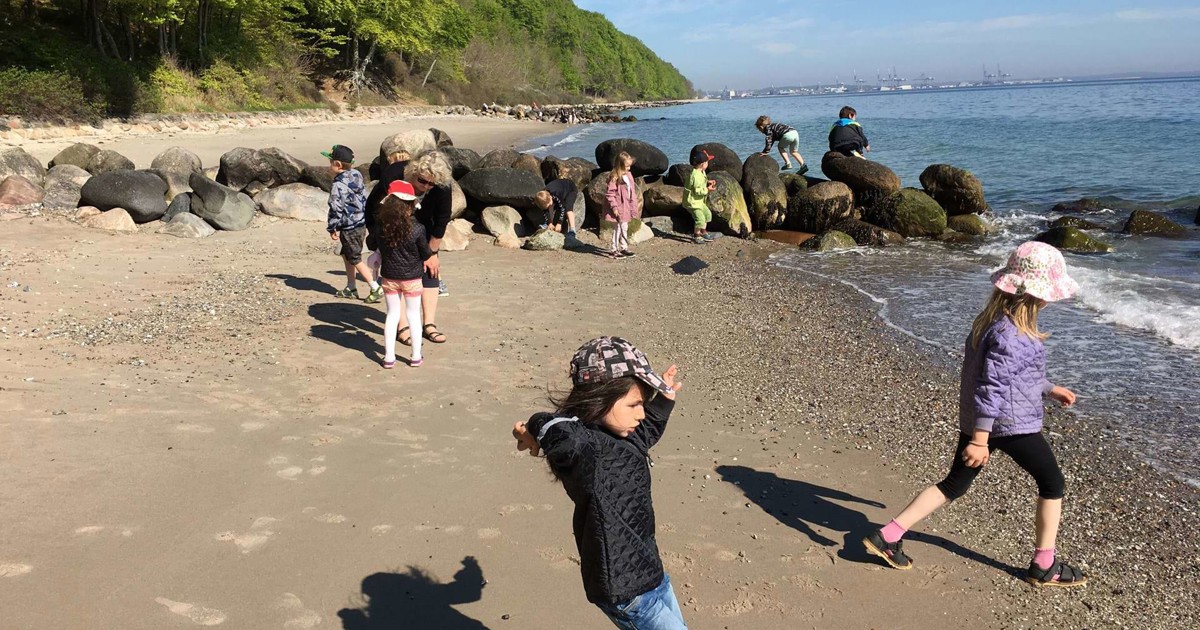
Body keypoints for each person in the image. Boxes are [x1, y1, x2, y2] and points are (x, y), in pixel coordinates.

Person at [863, 241, 1089, 589]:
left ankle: (888, 535)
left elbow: (1015, 376)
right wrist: (980, 439)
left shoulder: (992, 323)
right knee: (1052, 483)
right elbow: (993, 386)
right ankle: (1045, 565)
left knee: (954, 485)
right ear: (1037, 296)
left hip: (986, 422)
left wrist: (1049, 388)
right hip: (1008, 426)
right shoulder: (1012, 335)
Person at [512, 337, 688, 629]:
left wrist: (665, 398)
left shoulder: (625, 436)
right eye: (633, 404)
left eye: (643, 403)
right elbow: (550, 425)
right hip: (624, 589)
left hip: (650, 573)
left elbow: (649, 428)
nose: (641, 413)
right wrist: (533, 430)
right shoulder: (583, 448)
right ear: (599, 398)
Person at [398, 151, 453, 346]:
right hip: (396, 231)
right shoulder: (397, 178)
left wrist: (432, 254)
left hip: (424, 230)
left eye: (432, 184)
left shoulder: (441, 187)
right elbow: (375, 208)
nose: (427, 186)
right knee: (402, 277)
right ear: (414, 173)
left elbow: (442, 219)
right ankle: (402, 326)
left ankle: (428, 324)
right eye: (423, 181)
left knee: (431, 270)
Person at [324, 144, 381, 303]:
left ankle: (374, 286)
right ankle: (351, 286)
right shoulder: (356, 174)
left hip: (349, 226)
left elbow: (336, 207)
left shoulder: (338, 185)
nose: (329, 165)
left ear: (338, 165)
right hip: (360, 222)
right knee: (345, 252)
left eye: (331, 162)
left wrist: (332, 226)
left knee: (354, 257)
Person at [364, 149, 411, 277]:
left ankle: (377, 279)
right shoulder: (408, 178)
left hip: (378, 217)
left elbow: (375, 202)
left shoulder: (389, 176)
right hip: (382, 216)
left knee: (381, 252)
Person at [604, 151, 638, 259]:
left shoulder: (629, 175)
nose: (629, 168)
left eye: (629, 166)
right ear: (620, 165)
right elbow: (610, 193)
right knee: (617, 227)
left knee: (624, 226)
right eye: (627, 166)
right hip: (618, 206)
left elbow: (631, 191)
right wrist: (614, 207)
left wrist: (633, 207)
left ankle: (624, 247)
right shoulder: (614, 177)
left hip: (626, 205)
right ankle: (614, 249)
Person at [683, 148, 717, 245]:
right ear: (702, 164)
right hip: (693, 202)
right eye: (707, 162)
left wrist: (707, 182)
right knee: (700, 219)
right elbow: (697, 191)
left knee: (707, 214)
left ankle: (703, 231)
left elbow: (701, 182)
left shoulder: (700, 172)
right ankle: (696, 235)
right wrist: (707, 189)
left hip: (699, 201)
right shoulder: (695, 175)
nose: (708, 164)